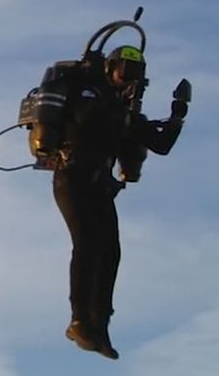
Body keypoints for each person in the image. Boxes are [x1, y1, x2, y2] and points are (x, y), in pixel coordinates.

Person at [27, 43, 189, 358]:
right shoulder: (85, 93)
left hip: (100, 184)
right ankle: (79, 321)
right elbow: (85, 119)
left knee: (110, 252)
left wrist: (178, 112)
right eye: (125, 70)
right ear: (110, 67)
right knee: (87, 244)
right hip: (71, 176)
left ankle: (99, 324)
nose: (128, 78)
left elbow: (161, 144)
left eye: (136, 74)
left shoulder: (122, 111)